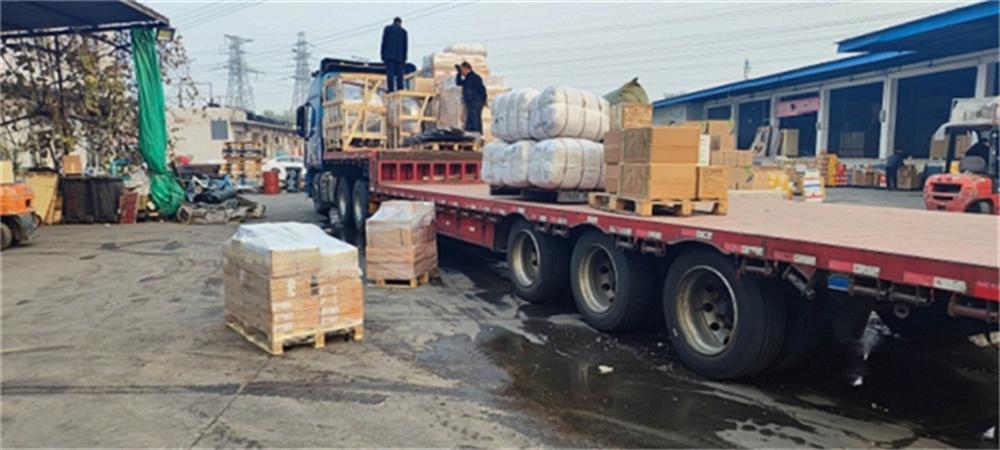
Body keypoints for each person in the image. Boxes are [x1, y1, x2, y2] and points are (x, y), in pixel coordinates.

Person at [455, 61, 487, 134]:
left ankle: (477, 134)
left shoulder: (475, 77)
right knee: (470, 120)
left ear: (467, 69)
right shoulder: (467, 78)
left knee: (475, 119)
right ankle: (470, 134)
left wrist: (484, 99)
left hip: (476, 101)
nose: (462, 72)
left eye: (462, 70)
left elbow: (481, 89)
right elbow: (458, 82)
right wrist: (458, 73)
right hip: (470, 102)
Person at [380, 17, 407, 92]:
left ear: (393, 22)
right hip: (400, 56)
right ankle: (400, 88)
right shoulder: (403, 32)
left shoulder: (387, 29)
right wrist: (404, 58)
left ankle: (391, 88)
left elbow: (384, 42)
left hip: (388, 55)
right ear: (400, 23)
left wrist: (382, 54)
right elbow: (405, 46)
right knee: (400, 73)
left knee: (390, 72)